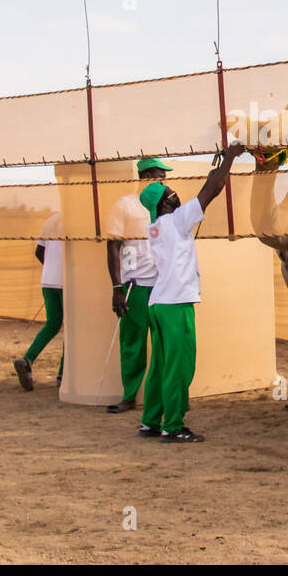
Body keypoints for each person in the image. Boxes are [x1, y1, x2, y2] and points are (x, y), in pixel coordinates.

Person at [138, 142, 248, 442]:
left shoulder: (158, 227)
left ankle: (150, 421)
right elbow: (213, 189)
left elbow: (208, 188)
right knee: (179, 366)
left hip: (158, 302)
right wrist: (228, 158)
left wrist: (218, 166)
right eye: (170, 192)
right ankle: (172, 426)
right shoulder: (176, 221)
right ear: (164, 203)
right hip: (175, 304)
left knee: (160, 365)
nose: (174, 193)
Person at [102, 157, 172, 413]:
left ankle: (166, 397)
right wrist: (116, 288)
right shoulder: (125, 205)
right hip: (136, 285)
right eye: (159, 176)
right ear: (146, 176)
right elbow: (113, 246)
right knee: (133, 343)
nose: (163, 181)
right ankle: (129, 396)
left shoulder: (167, 207)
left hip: (163, 285)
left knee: (165, 343)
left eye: (164, 177)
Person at [13, 212, 64, 391]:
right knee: (73, 329)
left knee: (52, 324)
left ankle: (28, 359)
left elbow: (38, 251)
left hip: (48, 280)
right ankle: (63, 374)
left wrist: (51, 267)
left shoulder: (50, 220)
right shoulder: (77, 219)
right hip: (67, 283)